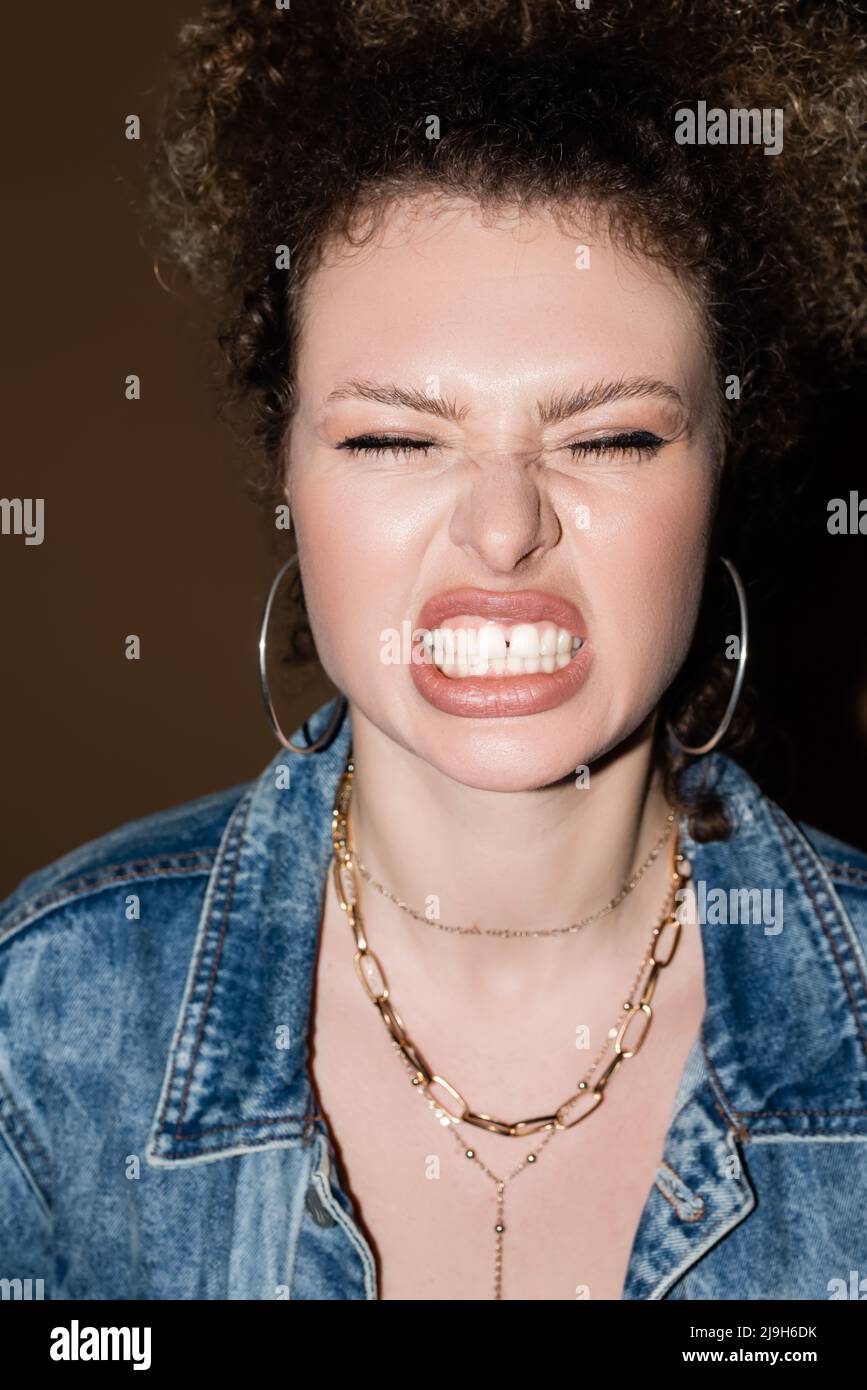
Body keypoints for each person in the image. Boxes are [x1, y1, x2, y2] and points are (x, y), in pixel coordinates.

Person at [1, 0, 866, 1302]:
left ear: (723, 473)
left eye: (612, 437)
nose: (505, 526)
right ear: (289, 471)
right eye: (395, 439)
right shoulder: (45, 1029)